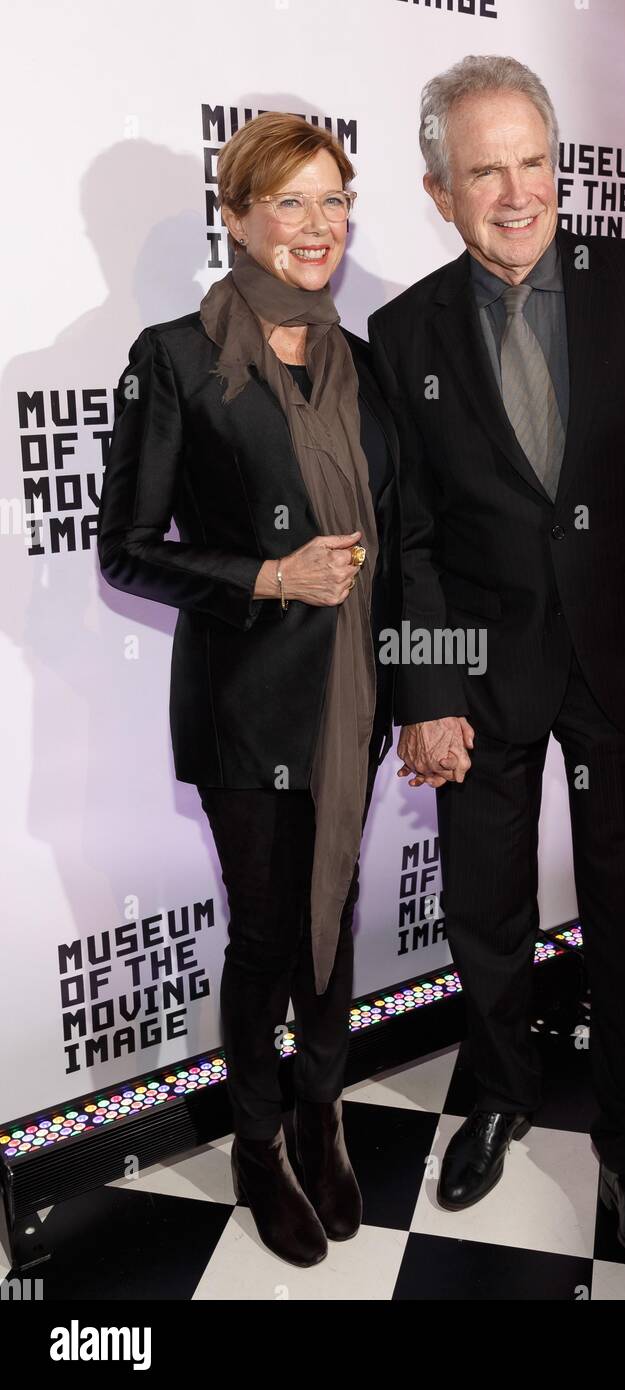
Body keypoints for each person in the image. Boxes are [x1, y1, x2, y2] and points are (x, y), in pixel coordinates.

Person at [368, 55, 625, 1272]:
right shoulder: (401, 330)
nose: (516, 192)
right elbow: (408, 533)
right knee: (483, 907)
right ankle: (497, 1091)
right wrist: (423, 693)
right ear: (439, 189)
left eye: (533, 162)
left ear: (557, 165)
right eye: (484, 171)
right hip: (477, 671)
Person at [97, 112, 400, 1268]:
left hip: (351, 699)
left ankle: (323, 1116)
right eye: (289, 203)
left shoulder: (358, 363)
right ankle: (257, 1146)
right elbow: (123, 546)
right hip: (244, 704)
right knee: (268, 930)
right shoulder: (175, 357)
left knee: (334, 915)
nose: (317, 227)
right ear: (236, 218)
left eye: (333, 202)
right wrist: (266, 573)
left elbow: (405, 531)